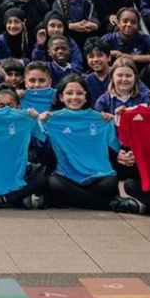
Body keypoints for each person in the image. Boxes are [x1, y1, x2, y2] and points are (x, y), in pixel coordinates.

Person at [37, 74, 120, 210]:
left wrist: (111, 121)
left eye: (79, 93)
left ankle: (70, 199)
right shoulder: (51, 119)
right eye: (69, 93)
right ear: (61, 97)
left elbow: (115, 146)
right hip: (67, 176)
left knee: (110, 182)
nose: (74, 97)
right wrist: (39, 122)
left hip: (96, 176)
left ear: (86, 96)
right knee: (53, 183)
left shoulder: (100, 119)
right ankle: (108, 204)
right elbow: (37, 141)